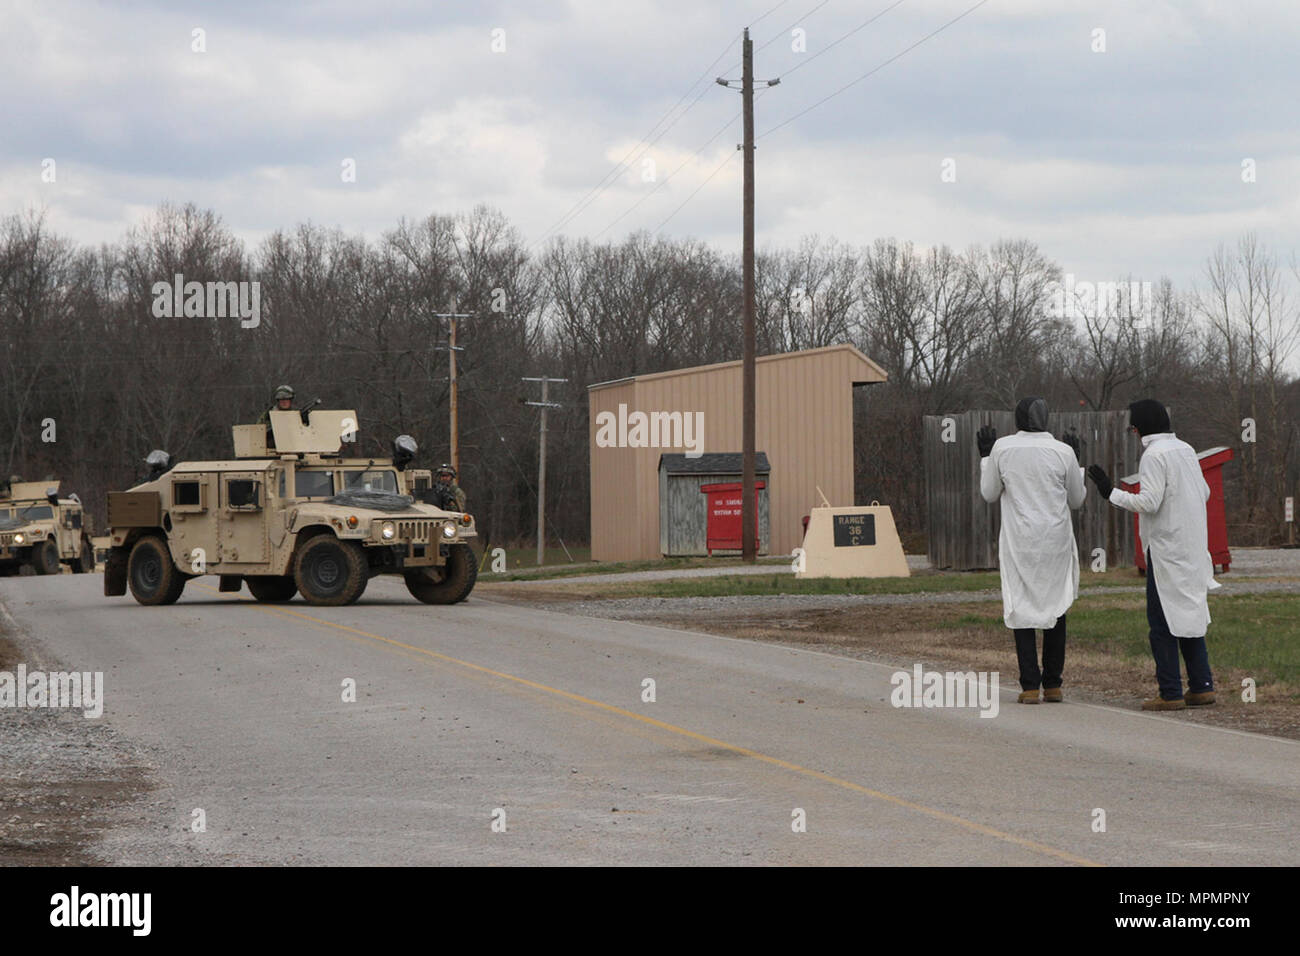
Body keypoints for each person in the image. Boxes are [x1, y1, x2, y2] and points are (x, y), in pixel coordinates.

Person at [1087, 399, 1216, 711]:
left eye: (1133, 426)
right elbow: (1205, 492)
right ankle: (1202, 686)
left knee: (1161, 622)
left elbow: (1149, 502)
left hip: (1166, 550)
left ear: (1140, 427)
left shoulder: (1153, 455)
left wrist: (1110, 493)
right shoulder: (1186, 450)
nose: (1133, 432)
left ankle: (1170, 692)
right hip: (1194, 547)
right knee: (1189, 615)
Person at [978, 397, 1087, 704]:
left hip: (1019, 540)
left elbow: (989, 494)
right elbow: (1077, 501)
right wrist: (1077, 463)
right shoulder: (1062, 451)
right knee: (1057, 605)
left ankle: (1029, 685)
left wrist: (986, 458)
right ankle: (1053, 684)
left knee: (1021, 605)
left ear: (1017, 419)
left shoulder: (1002, 448)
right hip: (1055, 539)